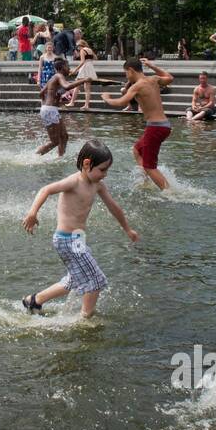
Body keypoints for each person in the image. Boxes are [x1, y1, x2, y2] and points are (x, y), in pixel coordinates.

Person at [21, 139, 139, 319]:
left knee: (75, 279)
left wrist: (127, 229)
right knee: (96, 280)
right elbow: (45, 189)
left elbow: (113, 207)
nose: (105, 174)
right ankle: (85, 318)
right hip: (66, 239)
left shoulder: (97, 184)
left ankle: (35, 300)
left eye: (107, 170)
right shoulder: (73, 182)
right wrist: (32, 213)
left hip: (77, 238)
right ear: (86, 164)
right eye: (102, 169)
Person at [100, 58, 175, 190]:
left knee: (149, 166)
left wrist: (107, 98)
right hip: (163, 125)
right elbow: (169, 77)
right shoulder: (154, 79)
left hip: (155, 128)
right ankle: (145, 181)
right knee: (137, 150)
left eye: (126, 73)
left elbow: (121, 102)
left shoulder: (137, 86)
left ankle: (169, 193)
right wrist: (152, 66)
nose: (126, 76)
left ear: (131, 70)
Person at [36, 58, 89, 157]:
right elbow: (67, 86)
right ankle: (34, 157)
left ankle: (60, 157)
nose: (69, 69)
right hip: (50, 110)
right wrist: (84, 80)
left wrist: (49, 103)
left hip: (50, 110)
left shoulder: (53, 78)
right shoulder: (58, 76)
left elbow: (41, 93)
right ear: (62, 67)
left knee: (64, 136)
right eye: (68, 66)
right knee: (55, 141)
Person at [74, 40, 99, 110]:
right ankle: (86, 105)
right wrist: (89, 60)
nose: (77, 48)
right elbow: (96, 58)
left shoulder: (82, 50)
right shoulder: (90, 50)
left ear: (80, 45)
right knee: (87, 88)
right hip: (90, 67)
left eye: (77, 46)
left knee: (77, 85)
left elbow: (82, 62)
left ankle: (72, 102)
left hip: (84, 68)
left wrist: (75, 69)